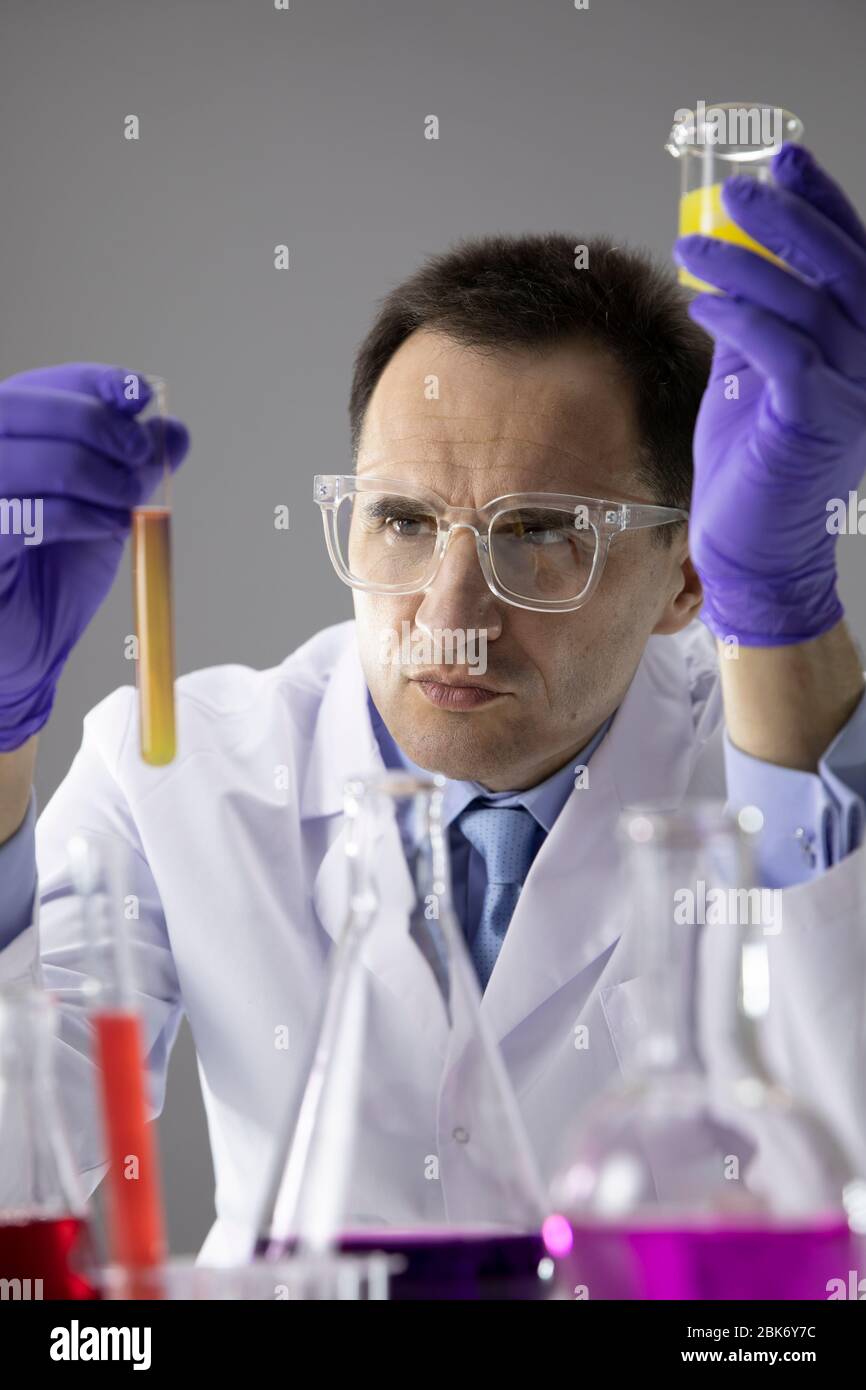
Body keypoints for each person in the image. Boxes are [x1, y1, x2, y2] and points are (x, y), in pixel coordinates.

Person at [1, 143, 865, 1261]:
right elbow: (20, 1152)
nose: (450, 608)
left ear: (686, 575)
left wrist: (779, 622)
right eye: (403, 520)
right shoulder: (173, 765)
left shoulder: (771, 776)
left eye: (541, 531)